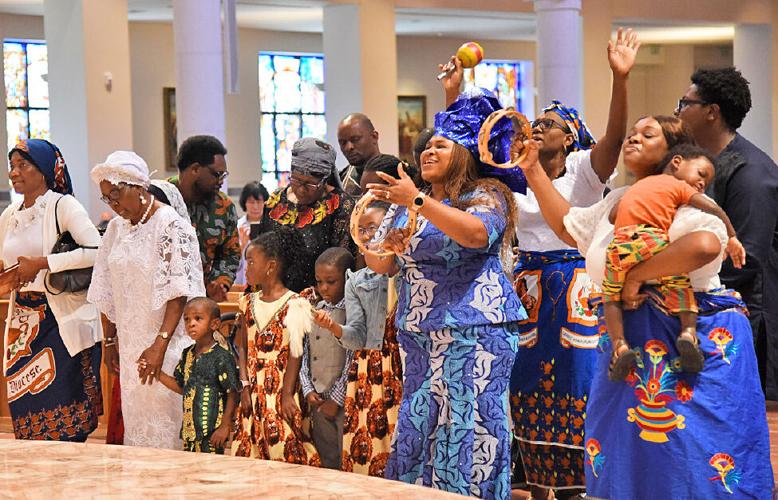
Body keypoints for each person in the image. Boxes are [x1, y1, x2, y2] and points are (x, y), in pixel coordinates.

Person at [516, 116, 774, 498]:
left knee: (693, 465)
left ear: (673, 156)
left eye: (647, 134)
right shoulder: (617, 200)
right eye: (632, 132)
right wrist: (532, 168)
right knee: (629, 463)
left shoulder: (685, 200)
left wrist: (635, 278)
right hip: (629, 356)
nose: (633, 137)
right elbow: (569, 228)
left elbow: (703, 244)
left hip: (688, 357)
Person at [366, 86, 527, 499]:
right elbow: (379, 262)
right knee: (418, 428)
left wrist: (418, 200)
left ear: (464, 153)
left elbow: (476, 234)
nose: (428, 152)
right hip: (420, 332)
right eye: (426, 146)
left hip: (474, 330)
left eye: (441, 144)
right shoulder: (409, 200)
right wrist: (384, 240)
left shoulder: (487, 195)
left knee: (467, 431)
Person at [88, 150, 205, 449]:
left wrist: (159, 344)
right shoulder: (115, 229)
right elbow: (106, 288)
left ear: (138, 187)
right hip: (130, 347)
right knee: (137, 430)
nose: (113, 205)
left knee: (167, 426)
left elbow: (178, 292)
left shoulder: (170, 226)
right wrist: (110, 343)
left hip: (166, 344)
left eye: (116, 194)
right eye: (106, 198)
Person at [675, 67, 778, 400]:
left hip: (748, 318)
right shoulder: (700, 163)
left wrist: (677, 276)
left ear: (711, 112)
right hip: (706, 303)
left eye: (685, 103)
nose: (678, 112)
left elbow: (747, 257)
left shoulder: (751, 173)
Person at [605, 144, 745, 380]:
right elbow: (711, 206)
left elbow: (612, 216)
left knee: (611, 297)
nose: (702, 184)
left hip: (620, 246)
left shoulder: (638, 186)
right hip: (653, 239)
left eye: (706, 183)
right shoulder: (678, 186)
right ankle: (688, 333)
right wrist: (731, 234)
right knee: (678, 281)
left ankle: (620, 346)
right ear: (677, 162)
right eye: (701, 174)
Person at [0, 139, 102, 441]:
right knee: (25, 402)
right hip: (22, 323)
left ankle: (68, 477)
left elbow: (98, 251)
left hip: (59, 320)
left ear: (43, 170)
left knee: (62, 405)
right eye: (12, 166)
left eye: (23, 165)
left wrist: (44, 263)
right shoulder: (10, 214)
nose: (14, 172)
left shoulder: (63, 205)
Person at [313, 199, 403, 478]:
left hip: (405, 371)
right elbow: (356, 337)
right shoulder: (356, 281)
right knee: (367, 454)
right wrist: (335, 329)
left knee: (399, 447)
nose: (366, 236)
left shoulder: (413, 275)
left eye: (373, 228)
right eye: (361, 229)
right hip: (369, 374)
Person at [231, 229, 318, 463]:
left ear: (270, 266)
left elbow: (295, 352)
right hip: (253, 389)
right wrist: (245, 386)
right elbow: (242, 348)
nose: (246, 268)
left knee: (283, 444)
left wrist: (288, 393)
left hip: (280, 387)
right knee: (249, 446)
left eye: (251, 262)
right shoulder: (246, 303)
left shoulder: (296, 303)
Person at [258, 137, 355, 292]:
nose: (301, 189)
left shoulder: (340, 205)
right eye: (296, 180)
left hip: (320, 299)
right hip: (274, 296)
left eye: (310, 184)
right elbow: (261, 250)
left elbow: (343, 261)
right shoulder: (274, 201)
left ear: (324, 180)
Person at [158, 297, 239, 454]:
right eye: (187, 319)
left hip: (212, 433)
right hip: (189, 432)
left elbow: (233, 392)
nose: (191, 324)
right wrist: (158, 375)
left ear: (214, 324)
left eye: (198, 318)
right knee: (191, 472)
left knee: (210, 474)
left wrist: (225, 426)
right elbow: (183, 387)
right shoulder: (187, 353)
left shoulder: (221, 356)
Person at [301, 247, 355, 469]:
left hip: (341, 401)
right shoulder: (314, 309)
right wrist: (307, 389)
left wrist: (337, 398)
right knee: (327, 460)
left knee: (345, 458)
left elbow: (352, 357)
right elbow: (305, 352)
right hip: (318, 398)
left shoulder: (352, 313)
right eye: (319, 281)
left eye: (330, 281)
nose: (323, 288)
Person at [169, 135, 240, 303]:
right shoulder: (160, 199)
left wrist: (219, 283)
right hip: (162, 303)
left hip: (202, 306)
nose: (221, 181)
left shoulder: (224, 206)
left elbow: (230, 254)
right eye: (217, 174)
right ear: (195, 169)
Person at [338, 113, 381, 195]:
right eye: (343, 143)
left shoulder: (399, 175)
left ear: (374, 136)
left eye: (355, 139)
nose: (348, 147)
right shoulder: (340, 180)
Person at [235, 181, 269, 286]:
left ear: (265, 203)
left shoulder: (271, 225)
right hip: (242, 280)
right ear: (244, 203)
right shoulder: (238, 226)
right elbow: (232, 262)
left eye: (259, 202)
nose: (255, 207)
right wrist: (243, 245)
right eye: (251, 202)